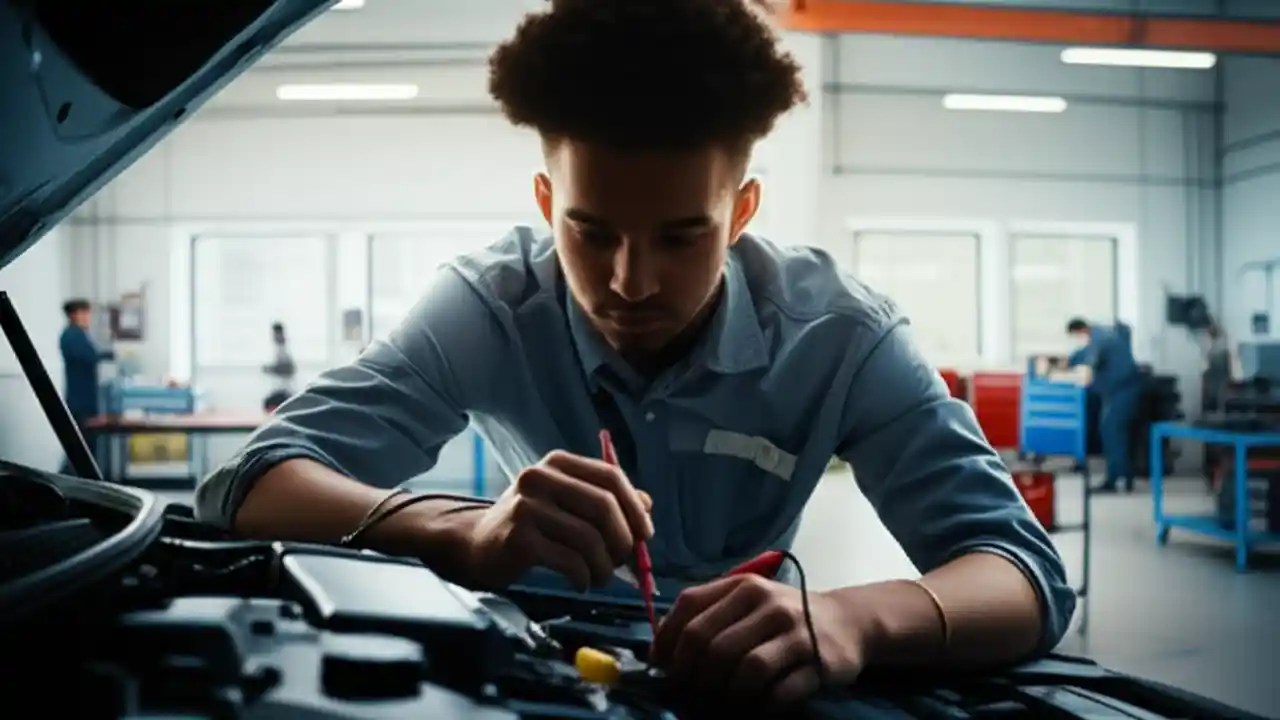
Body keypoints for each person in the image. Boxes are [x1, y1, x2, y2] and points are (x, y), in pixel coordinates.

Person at [196, 0, 1073, 704]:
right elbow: (248, 479)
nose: (631, 282)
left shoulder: (843, 337)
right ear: (546, 203)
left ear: (743, 211)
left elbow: (1024, 576)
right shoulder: (488, 304)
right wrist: (458, 533)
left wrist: (853, 622)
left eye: (684, 236)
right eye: (591, 230)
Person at [1064, 317, 1143, 492]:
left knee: (1111, 431)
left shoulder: (1100, 338)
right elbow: (1084, 353)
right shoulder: (1103, 334)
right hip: (1121, 390)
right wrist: (1071, 360)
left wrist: (1071, 366)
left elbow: (1091, 358)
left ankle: (1116, 480)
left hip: (1122, 391)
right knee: (1115, 433)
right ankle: (1124, 477)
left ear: (1081, 330)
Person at [59, 299, 113, 467]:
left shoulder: (78, 334)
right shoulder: (72, 335)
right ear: (75, 314)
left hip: (83, 400)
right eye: (86, 313)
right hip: (80, 401)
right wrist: (106, 353)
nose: (88, 318)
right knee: (81, 449)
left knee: (83, 448)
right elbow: (89, 357)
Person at [262, 322, 296, 412]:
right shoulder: (276, 348)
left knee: (268, 405)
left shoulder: (285, 349)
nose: (274, 336)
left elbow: (289, 369)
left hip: (284, 390)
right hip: (278, 388)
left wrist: (271, 369)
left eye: (276, 334)